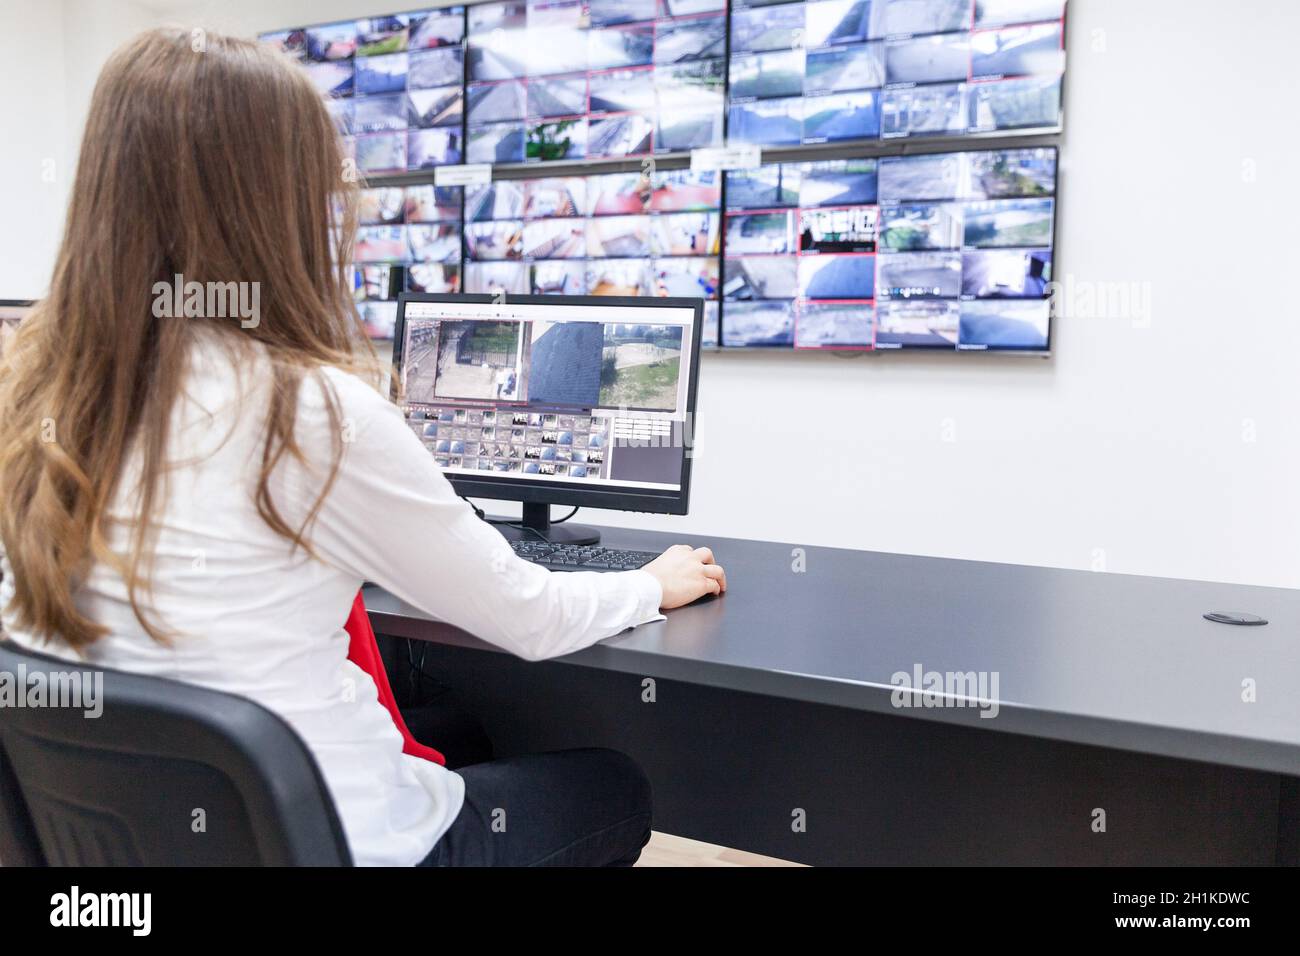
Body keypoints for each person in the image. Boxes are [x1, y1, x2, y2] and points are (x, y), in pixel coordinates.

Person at [0, 28, 726, 867]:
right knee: (613, 785)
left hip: (136, 849)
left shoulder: (36, 402)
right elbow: (528, 617)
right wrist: (649, 583)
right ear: (278, 208)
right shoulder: (311, 413)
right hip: (346, 847)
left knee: (460, 725)